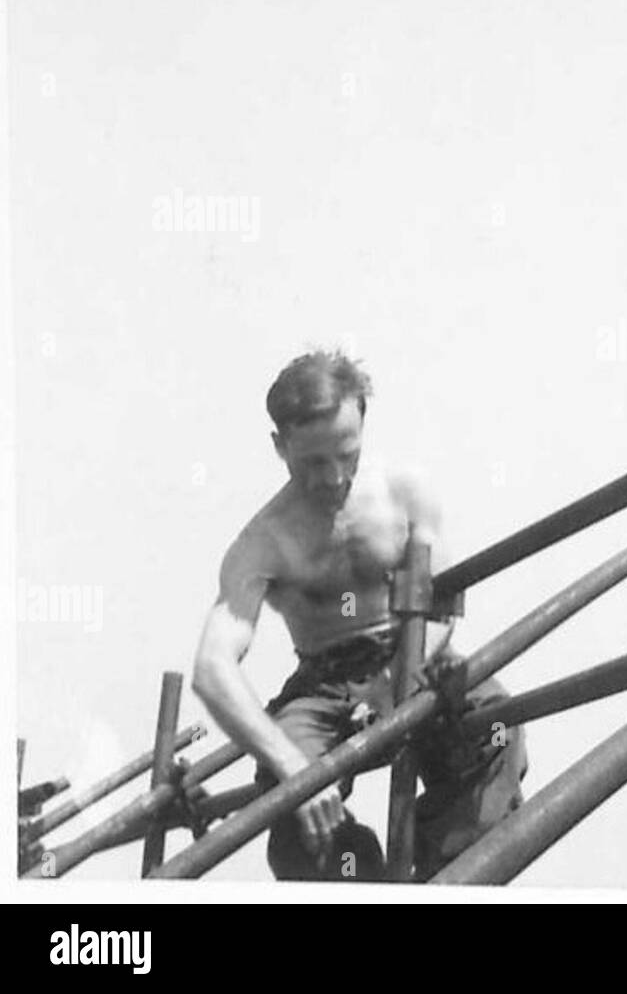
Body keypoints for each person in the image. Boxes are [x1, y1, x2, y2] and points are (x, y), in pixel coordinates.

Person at [192, 350, 526, 880]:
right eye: (311, 463)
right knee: (289, 802)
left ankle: (447, 874)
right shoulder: (263, 542)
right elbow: (212, 670)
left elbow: (441, 602)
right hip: (323, 686)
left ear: (363, 427)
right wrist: (296, 768)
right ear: (279, 446)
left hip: (418, 653)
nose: (331, 477)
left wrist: (398, 679)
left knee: (498, 727)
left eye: (346, 454)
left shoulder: (405, 491)